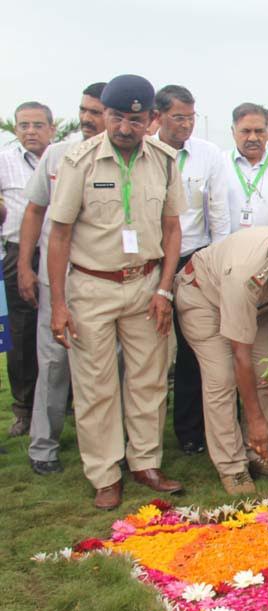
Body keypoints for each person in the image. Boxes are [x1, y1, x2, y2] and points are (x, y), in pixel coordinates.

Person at [48, 74, 187, 510]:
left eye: (134, 119)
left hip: (145, 285)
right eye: (114, 117)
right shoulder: (79, 160)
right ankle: (105, 473)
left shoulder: (165, 160)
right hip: (91, 286)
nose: (124, 128)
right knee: (95, 386)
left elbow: (171, 227)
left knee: (149, 380)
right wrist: (58, 304)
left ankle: (145, 462)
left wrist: (164, 290)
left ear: (151, 119)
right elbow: (59, 234)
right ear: (104, 114)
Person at [175, 223, 268, 494]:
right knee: (222, 378)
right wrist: (257, 420)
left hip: (258, 306)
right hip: (204, 299)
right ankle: (232, 467)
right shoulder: (245, 271)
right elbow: (241, 356)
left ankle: (254, 454)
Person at [18, 84, 105, 475]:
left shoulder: (131, 160)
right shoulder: (56, 154)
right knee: (53, 362)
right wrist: (25, 265)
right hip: (58, 277)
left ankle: (108, 446)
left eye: (96, 112)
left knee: (108, 367)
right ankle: (43, 446)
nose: (87, 118)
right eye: (83, 110)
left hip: (103, 279)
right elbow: (35, 212)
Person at [155, 84, 231, 457]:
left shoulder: (207, 155)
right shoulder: (146, 151)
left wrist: (216, 264)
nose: (186, 125)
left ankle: (191, 431)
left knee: (192, 349)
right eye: (178, 117)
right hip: (150, 258)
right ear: (159, 117)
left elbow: (218, 211)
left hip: (194, 261)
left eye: (190, 117)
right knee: (151, 350)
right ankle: (144, 436)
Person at [0, 101, 55, 437]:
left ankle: (66, 403)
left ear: (51, 128)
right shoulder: (5, 161)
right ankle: (24, 409)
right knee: (20, 333)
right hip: (17, 252)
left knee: (62, 328)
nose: (30, 131)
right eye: (23, 125)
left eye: (37, 125)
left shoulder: (65, 158)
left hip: (59, 251)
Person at [224, 103, 268, 233]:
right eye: (246, 131)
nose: (253, 138)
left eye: (259, 131)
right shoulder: (220, 164)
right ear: (233, 132)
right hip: (228, 248)